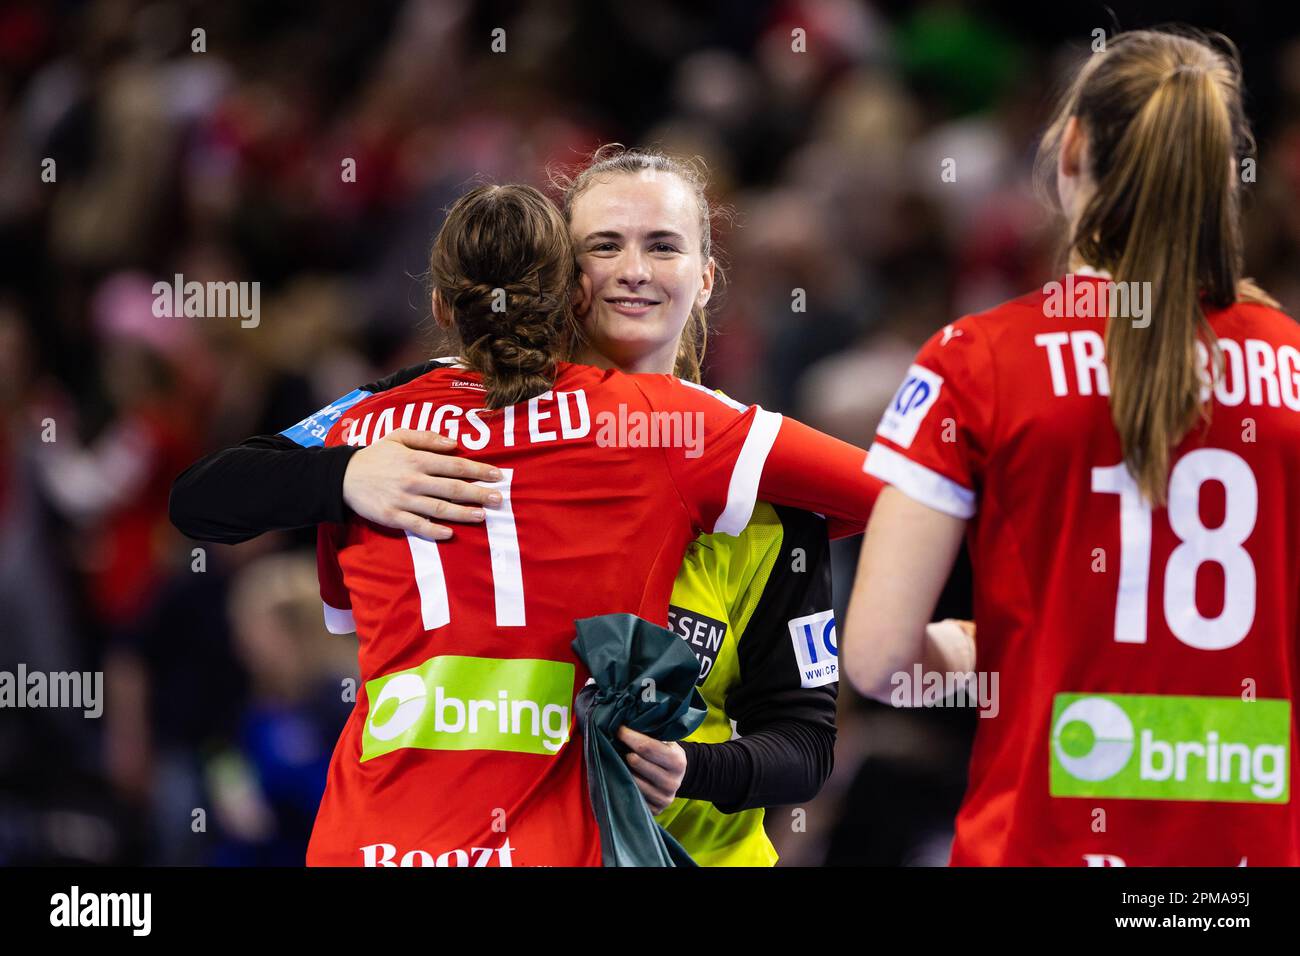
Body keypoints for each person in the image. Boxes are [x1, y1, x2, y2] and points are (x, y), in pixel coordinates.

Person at [173, 147, 870, 865]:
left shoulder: (769, 488)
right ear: (559, 279)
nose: (633, 270)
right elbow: (210, 493)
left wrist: (698, 770)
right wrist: (346, 475)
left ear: (706, 278)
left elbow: (806, 745)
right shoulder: (421, 405)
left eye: (663, 246)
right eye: (604, 245)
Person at [842, 28, 1299, 866]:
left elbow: (875, 659)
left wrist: (981, 646)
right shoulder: (1292, 368)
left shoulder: (979, 360)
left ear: (1074, 148)